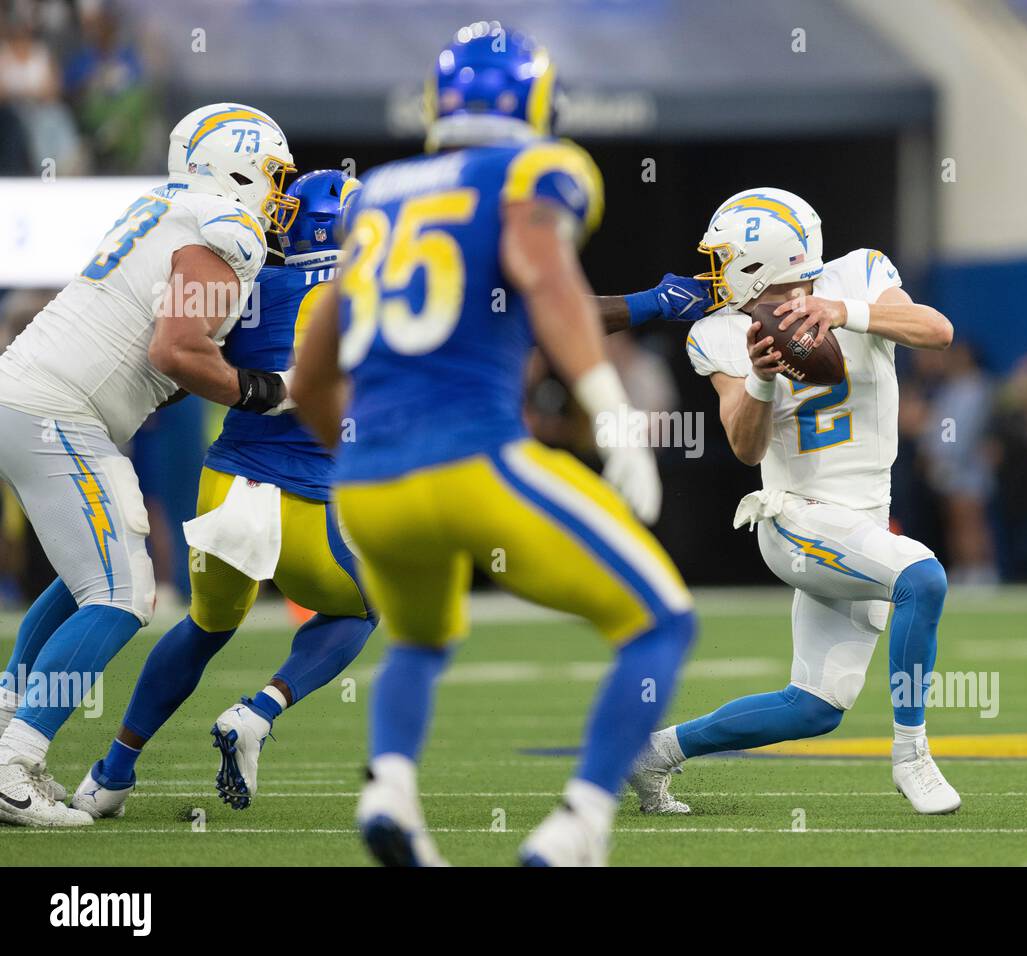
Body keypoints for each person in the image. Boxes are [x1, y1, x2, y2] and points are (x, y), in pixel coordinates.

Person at [291, 21, 696, 867]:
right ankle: (578, 825)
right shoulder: (535, 169)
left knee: (421, 639)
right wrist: (611, 411)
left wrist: (356, 453)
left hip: (369, 484)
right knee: (661, 622)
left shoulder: (378, 193)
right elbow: (542, 267)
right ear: (538, 101)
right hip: (474, 459)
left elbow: (312, 366)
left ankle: (390, 790)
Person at [0, 102, 298, 827]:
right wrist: (264, 393)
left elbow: (149, 350)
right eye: (271, 175)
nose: (279, 195)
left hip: (38, 396)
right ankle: (15, 764)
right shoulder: (224, 231)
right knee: (125, 591)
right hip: (57, 410)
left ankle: (8, 713)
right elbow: (176, 348)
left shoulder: (168, 205)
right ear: (236, 169)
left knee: (88, 579)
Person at [628, 187, 964, 816]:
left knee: (813, 708)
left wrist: (843, 312)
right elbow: (746, 449)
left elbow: (936, 330)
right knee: (923, 576)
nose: (713, 270)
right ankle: (912, 755)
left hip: (860, 518)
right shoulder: (719, 331)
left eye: (724, 256)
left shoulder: (859, 273)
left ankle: (652, 754)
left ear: (760, 259)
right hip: (793, 518)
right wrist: (759, 375)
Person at [72, 170, 380, 819]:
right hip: (306, 501)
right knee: (361, 610)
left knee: (206, 626)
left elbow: (178, 362)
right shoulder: (384, 293)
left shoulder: (250, 283)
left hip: (226, 484)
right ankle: (259, 711)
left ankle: (109, 777)